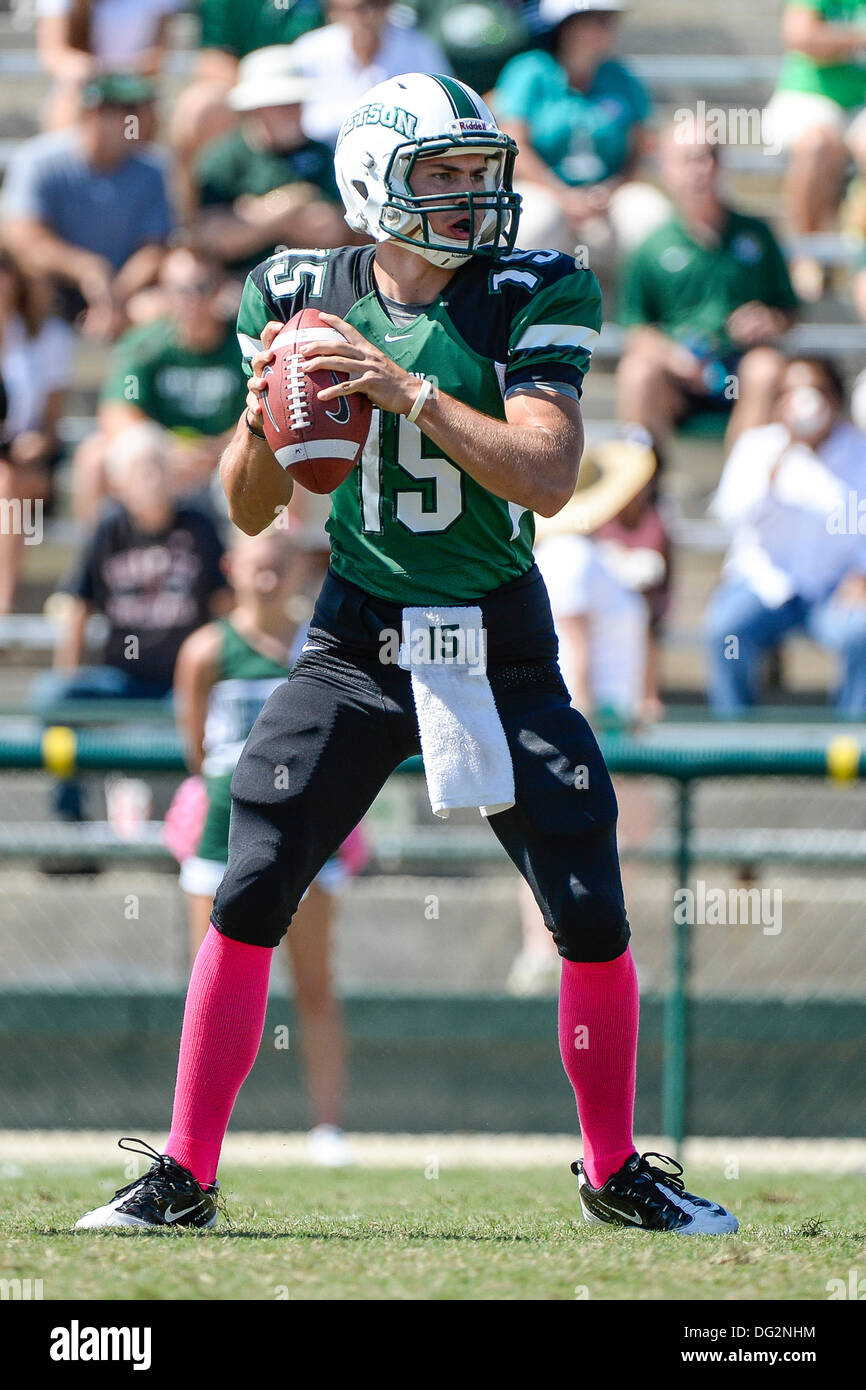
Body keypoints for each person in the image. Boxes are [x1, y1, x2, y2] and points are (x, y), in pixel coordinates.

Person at [76, 72, 736, 1235]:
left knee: (586, 896)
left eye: (477, 170)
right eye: (441, 174)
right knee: (249, 878)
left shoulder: (530, 289)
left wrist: (411, 390)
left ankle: (613, 1167)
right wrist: (258, 416)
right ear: (375, 181)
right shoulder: (295, 291)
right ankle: (183, 1170)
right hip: (357, 631)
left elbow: (544, 474)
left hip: (499, 628)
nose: (473, 194)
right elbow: (243, 508)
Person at [171, 527, 355, 1166]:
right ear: (232, 568)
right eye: (258, 567)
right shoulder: (206, 650)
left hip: (309, 840)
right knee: (211, 987)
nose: (269, 579)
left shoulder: (322, 647)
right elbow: (197, 751)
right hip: (222, 838)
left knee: (313, 986)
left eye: (280, 567)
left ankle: (328, 1129)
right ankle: (200, 1141)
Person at [33, 422, 233, 820]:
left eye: (159, 467)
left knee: (221, 715)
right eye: (141, 470)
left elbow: (226, 604)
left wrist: (220, 674)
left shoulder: (198, 523)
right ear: (120, 483)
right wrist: (69, 673)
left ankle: (202, 824)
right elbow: (78, 606)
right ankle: (68, 823)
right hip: (121, 678)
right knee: (51, 696)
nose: (153, 479)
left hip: (183, 683)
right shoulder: (109, 528)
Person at [617, 122, 799, 450]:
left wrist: (769, 320)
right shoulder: (652, 246)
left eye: (711, 156)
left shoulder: (756, 233)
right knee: (637, 372)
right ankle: (646, 492)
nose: (704, 168)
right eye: (690, 158)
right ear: (667, 169)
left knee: (767, 367)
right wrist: (674, 358)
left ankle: (742, 491)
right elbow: (635, 328)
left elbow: (789, 308)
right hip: (680, 376)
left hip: (741, 368)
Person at [705, 356, 866, 716]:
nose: (805, 401)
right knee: (725, 630)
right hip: (766, 582)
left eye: (817, 392)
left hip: (833, 588)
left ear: (835, 399)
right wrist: (780, 459)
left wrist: (862, 574)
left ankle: (853, 746)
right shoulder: (759, 446)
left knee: (861, 634)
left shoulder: (860, 451)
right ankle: (735, 749)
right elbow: (731, 513)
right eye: (792, 392)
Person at [71, 245, 248, 525]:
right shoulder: (143, 344)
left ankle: (261, 559)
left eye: (201, 287)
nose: (189, 299)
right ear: (164, 294)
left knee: (271, 453)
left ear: (219, 290)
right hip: (162, 462)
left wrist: (217, 450)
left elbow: (262, 413)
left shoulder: (243, 347)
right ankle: (104, 558)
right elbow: (118, 411)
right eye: (178, 289)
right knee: (94, 456)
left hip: (226, 456)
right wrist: (170, 452)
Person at [0, 73, 173, 342]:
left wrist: (112, 297)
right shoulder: (39, 161)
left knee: (163, 305)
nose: (144, 118)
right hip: (51, 292)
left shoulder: (152, 168)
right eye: (130, 111)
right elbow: (24, 239)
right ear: (94, 113)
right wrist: (86, 269)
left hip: (125, 294)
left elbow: (154, 247)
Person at [493, 0, 669, 263]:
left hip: (608, 195)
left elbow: (638, 150)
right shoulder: (530, 70)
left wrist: (612, 189)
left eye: (609, 19)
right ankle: (519, 301)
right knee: (534, 218)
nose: (608, 27)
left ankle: (641, 304)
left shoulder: (622, 77)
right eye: (596, 19)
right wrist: (563, 195)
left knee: (650, 214)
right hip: (543, 189)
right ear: (567, 26)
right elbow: (513, 147)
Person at [189, 47, 348, 283]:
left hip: (314, 281)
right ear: (256, 109)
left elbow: (331, 229)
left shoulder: (322, 154)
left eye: (297, 102)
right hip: (238, 282)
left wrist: (253, 215)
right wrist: (295, 202)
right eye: (282, 104)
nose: (294, 112)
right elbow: (215, 237)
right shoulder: (223, 159)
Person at [765, 1, 866, 302]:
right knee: (816, 144)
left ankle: (854, 242)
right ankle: (807, 254)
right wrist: (859, 37)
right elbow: (802, 36)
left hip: (858, 105)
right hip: (809, 98)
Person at [0, 247, 75, 612]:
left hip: (30, 464)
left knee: (6, 484)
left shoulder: (47, 337)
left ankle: (3, 600)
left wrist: (37, 443)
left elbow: (51, 426)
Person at [292, 0, 451, 147]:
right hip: (322, 163)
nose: (363, 17)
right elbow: (300, 123)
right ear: (333, 12)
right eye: (349, 10)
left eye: (372, 5)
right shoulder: (309, 50)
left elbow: (441, 112)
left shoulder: (421, 49)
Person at [35, 0, 181, 132]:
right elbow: (53, 53)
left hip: (133, 90)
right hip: (82, 89)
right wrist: (90, 71)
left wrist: (125, 74)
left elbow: (158, 53)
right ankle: (69, 152)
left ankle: (131, 151)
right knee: (71, 90)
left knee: (134, 121)